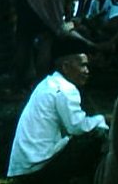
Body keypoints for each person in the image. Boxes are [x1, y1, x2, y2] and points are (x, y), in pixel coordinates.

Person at [7, 38, 108, 182]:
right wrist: (101, 120)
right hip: (38, 165)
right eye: (83, 66)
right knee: (97, 136)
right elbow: (77, 127)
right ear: (66, 67)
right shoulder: (66, 89)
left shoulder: (48, 83)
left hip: (23, 165)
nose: (87, 71)